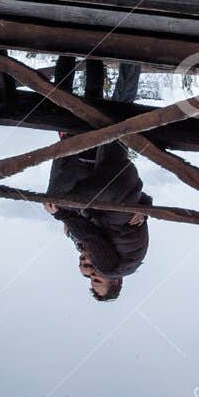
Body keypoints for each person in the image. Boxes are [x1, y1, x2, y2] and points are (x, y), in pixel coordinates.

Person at [42, 62, 150, 301]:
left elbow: (125, 227)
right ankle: (67, 140)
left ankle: (129, 57)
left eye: (92, 278)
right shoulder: (112, 267)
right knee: (57, 200)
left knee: (116, 118)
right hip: (112, 193)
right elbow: (92, 237)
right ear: (116, 281)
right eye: (98, 279)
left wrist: (146, 207)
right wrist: (61, 216)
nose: (95, 273)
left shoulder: (128, 261)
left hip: (122, 185)